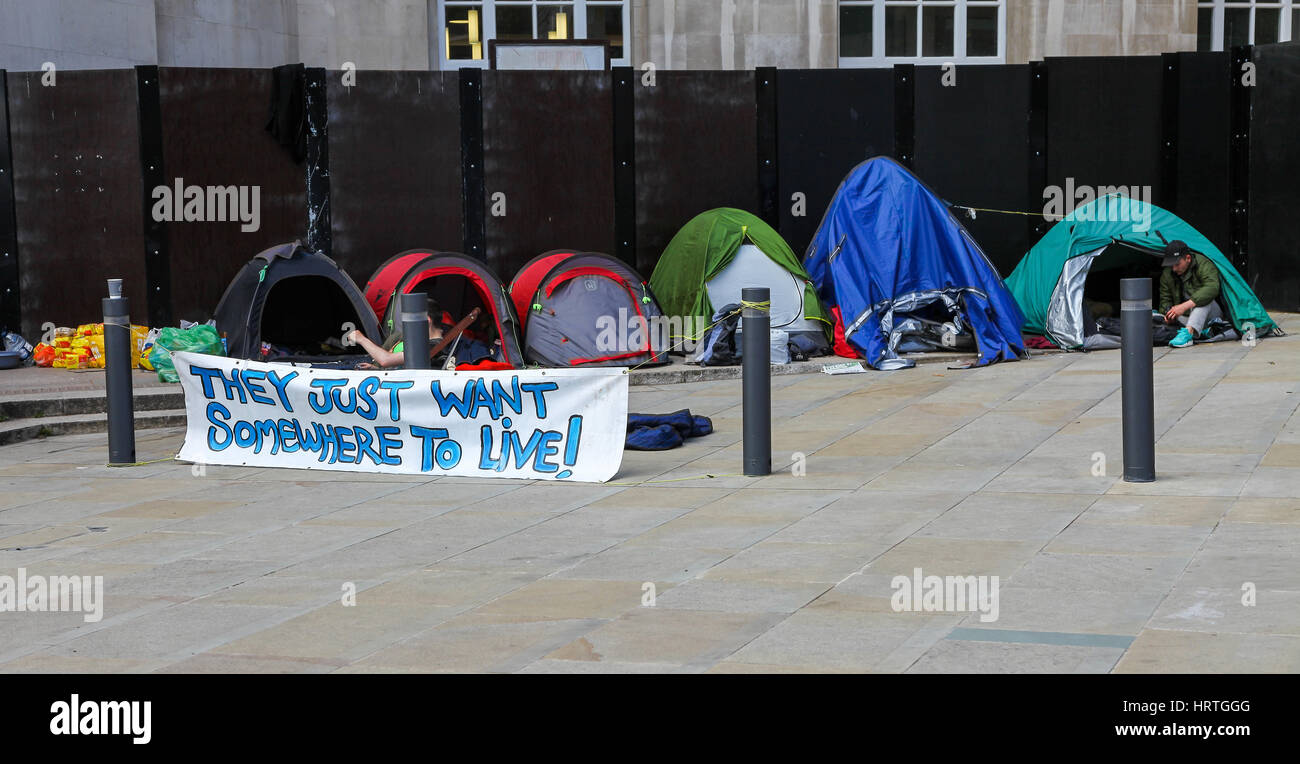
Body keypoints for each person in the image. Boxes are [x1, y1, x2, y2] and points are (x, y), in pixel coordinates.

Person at [1158, 240, 1223, 348]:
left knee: (1203, 300)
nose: (1174, 269)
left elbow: (1212, 287)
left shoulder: (1203, 264)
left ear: (1188, 258)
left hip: (1211, 315)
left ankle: (1188, 335)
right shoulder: (1167, 274)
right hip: (1186, 319)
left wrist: (1185, 306)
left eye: (1177, 264)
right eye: (1171, 265)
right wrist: (1169, 314)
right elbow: (1165, 300)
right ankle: (1200, 332)